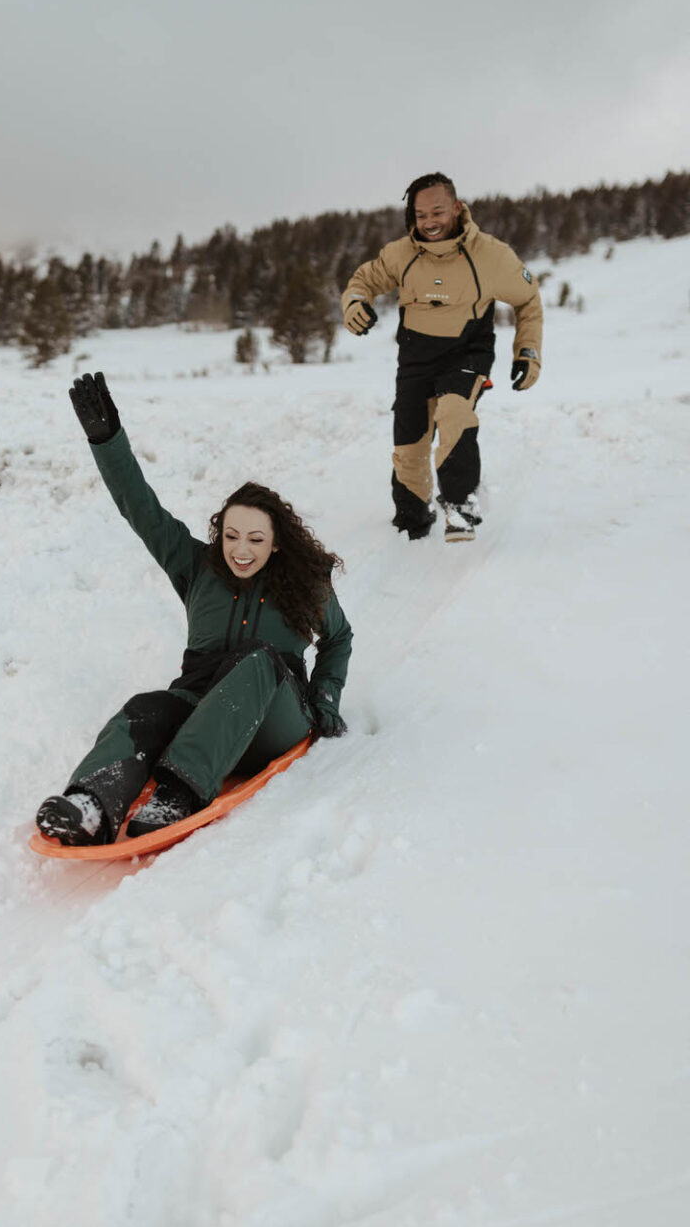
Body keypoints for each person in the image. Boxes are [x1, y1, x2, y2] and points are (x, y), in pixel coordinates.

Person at [35, 372, 353, 846]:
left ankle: (178, 792)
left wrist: (325, 696)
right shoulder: (197, 567)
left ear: (276, 543)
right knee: (147, 708)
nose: (240, 550)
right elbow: (141, 509)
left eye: (255, 539)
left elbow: (338, 639)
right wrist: (107, 441)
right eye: (231, 536)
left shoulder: (306, 583)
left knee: (258, 662)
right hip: (199, 702)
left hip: (273, 718)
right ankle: (91, 804)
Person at [342, 172, 544, 540]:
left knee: (454, 412)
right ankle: (412, 520)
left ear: (456, 207)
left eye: (437, 211)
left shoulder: (492, 256)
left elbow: (528, 299)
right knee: (409, 446)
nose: (430, 222)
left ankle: (461, 506)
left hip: (467, 352)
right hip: (416, 358)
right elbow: (364, 281)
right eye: (420, 215)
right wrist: (354, 302)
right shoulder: (399, 254)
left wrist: (527, 351)